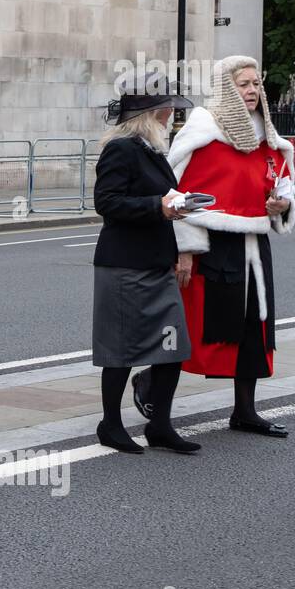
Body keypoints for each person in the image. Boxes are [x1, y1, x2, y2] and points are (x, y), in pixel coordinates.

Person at [165, 55, 295, 439]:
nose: (253, 90)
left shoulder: (267, 136)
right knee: (199, 329)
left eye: (256, 83)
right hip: (211, 244)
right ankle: (150, 391)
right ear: (226, 88)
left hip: (254, 244)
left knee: (255, 326)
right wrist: (185, 248)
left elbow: (282, 185)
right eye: (244, 84)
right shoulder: (202, 129)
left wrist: (282, 206)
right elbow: (174, 190)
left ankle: (245, 410)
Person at [89, 78, 199, 453]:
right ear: (150, 115)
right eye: (166, 109)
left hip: (155, 263)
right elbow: (107, 202)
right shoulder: (121, 150)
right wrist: (158, 206)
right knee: (119, 351)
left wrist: (181, 206)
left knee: (174, 348)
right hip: (124, 265)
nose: (171, 116)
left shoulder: (152, 152)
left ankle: (160, 424)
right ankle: (111, 424)